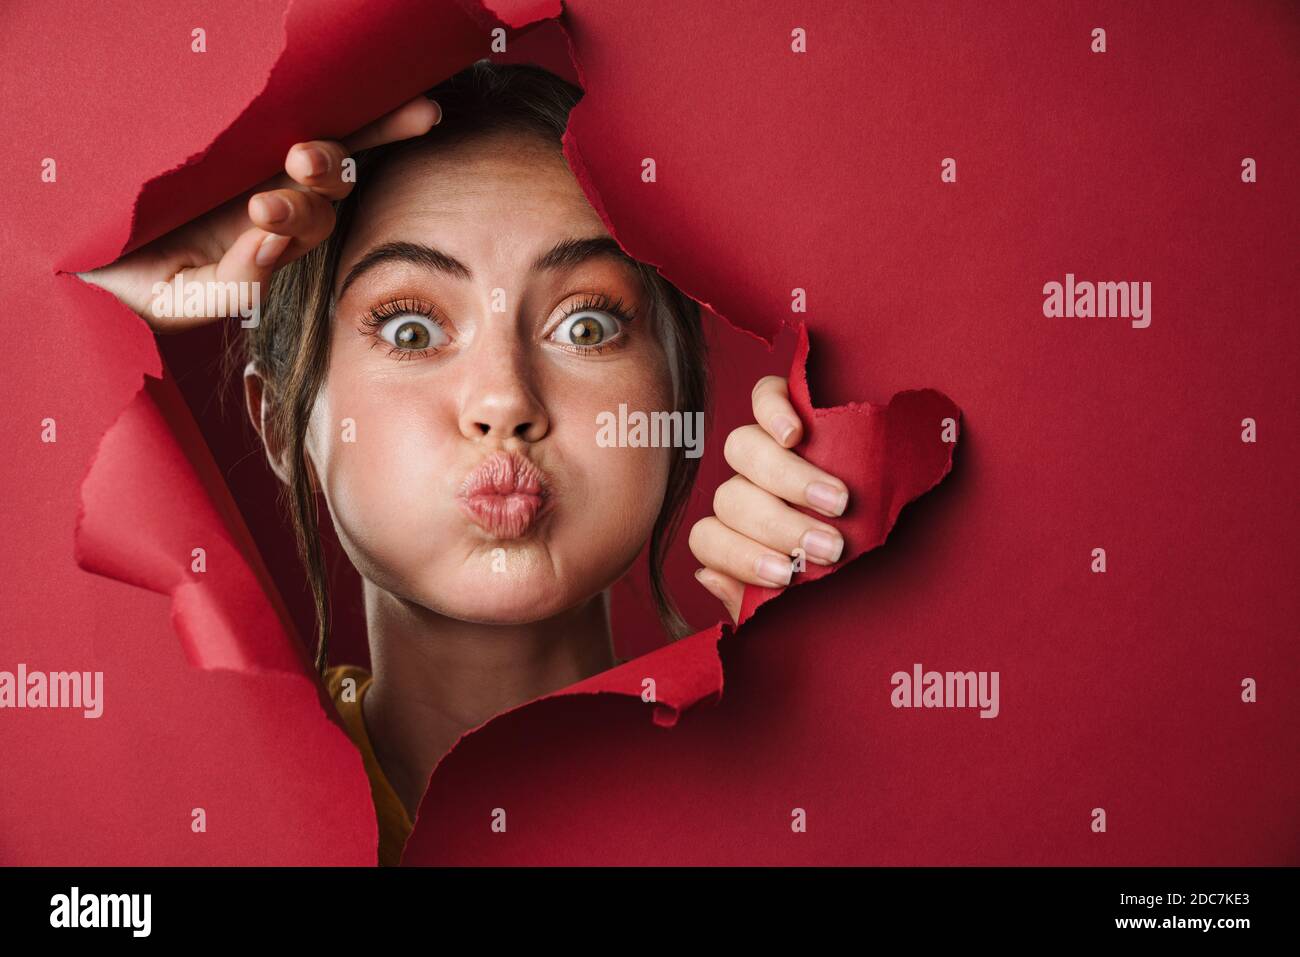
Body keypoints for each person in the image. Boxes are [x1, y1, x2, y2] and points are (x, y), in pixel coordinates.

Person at [82, 60, 851, 865]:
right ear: (282, 425)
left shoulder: (788, 792)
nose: (504, 400)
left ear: (679, 400)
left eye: (586, 325)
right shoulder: (188, 817)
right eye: (411, 330)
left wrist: (848, 656)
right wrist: (91, 304)